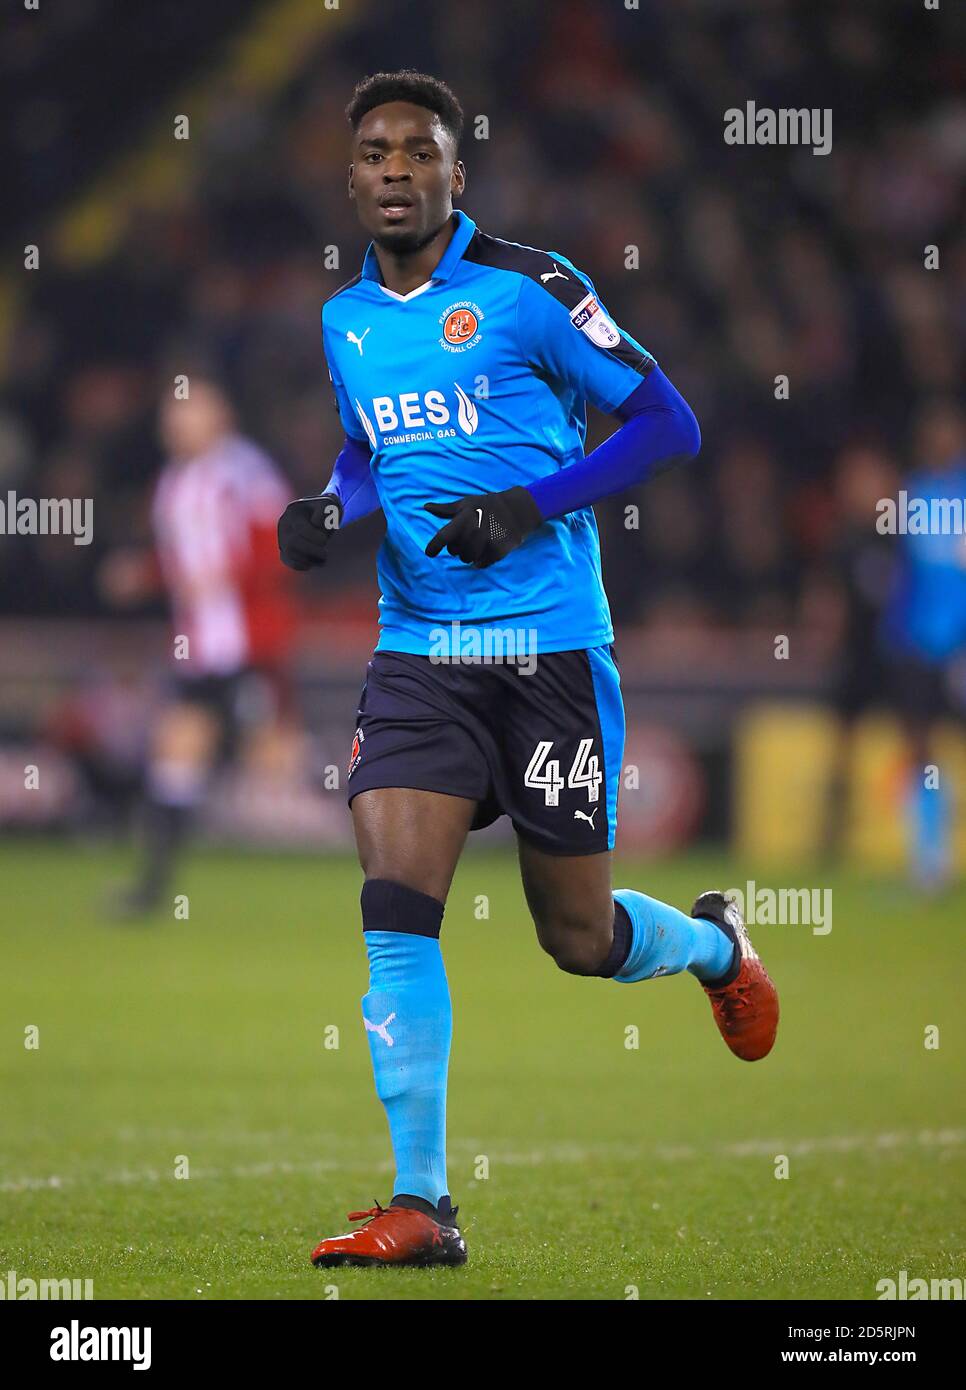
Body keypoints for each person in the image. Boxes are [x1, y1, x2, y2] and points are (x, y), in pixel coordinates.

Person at [278, 70, 779, 1269]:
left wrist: (529, 504)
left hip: (546, 648)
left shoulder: (533, 288)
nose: (396, 168)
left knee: (577, 935)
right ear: (350, 180)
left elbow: (669, 422)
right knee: (395, 904)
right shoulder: (345, 321)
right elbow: (366, 448)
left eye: (420, 150)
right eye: (376, 152)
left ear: (460, 171)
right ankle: (423, 1205)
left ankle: (715, 946)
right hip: (418, 654)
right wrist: (331, 506)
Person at [103, 375, 296, 914]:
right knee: (175, 754)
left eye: (189, 411)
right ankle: (151, 889)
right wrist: (141, 574)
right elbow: (182, 566)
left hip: (252, 646)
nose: (177, 422)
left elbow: (285, 545)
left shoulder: (246, 473)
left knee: (278, 760)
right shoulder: (171, 483)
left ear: (221, 417)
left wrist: (224, 576)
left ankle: (395, 872)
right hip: (200, 652)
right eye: (172, 413)